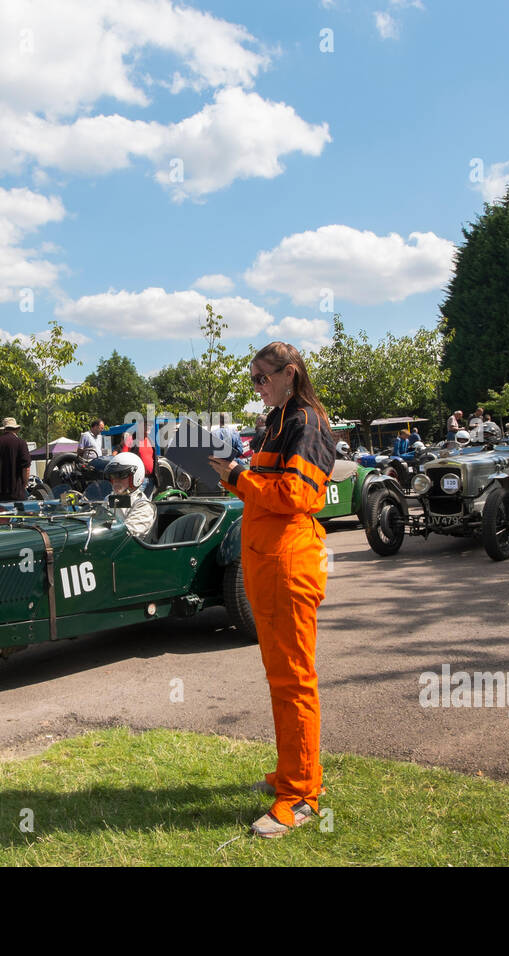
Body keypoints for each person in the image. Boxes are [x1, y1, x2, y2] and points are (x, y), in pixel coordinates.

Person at [208, 341, 334, 839]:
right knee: (282, 676)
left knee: (293, 679)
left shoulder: (306, 422)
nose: (257, 387)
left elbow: (298, 496)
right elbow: (267, 487)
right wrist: (233, 476)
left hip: (287, 563)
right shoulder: (279, 420)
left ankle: (301, 795)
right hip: (267, 561)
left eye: (263, 378)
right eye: (253, 379)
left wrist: (239, 475)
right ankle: (292, 774)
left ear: (290, 374)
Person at [105, 452, 155, 538]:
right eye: (113, 475)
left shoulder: (143, 505)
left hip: (127, 549)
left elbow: (124, 535)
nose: (116, 479)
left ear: (135, 477)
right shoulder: (109, 498)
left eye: (121, 475)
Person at [0, 417, 32, 501]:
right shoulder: (21, 443)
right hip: (16, 493)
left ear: (3, 430)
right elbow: (26, 468)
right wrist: (24, 484)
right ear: (17, 429)